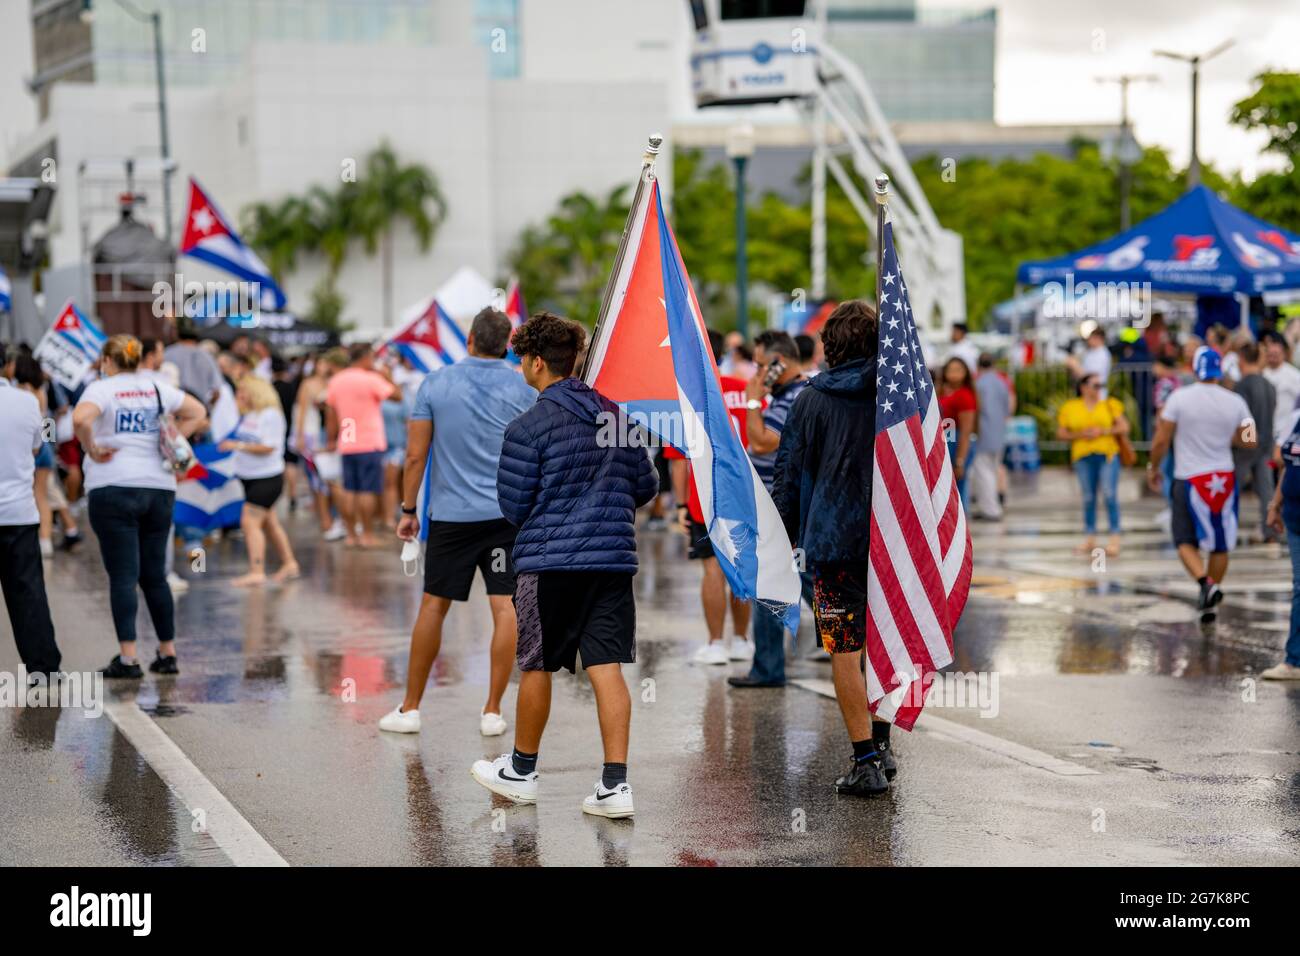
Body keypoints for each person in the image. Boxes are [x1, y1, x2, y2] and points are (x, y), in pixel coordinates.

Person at [471, 312, 657, 819]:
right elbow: (646, 486)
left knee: (536, 664)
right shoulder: (617, 417)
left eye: (521, 361)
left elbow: (513, 506)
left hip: (548, 564)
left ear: (535, 362)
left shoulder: (527, 426)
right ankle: (615, 786)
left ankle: (522, 771)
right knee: (606, 667)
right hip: (613, 561)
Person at [379, 308, 536, 737]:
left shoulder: (436, 382)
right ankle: (492, 710)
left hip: (451, 516)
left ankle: (410, 709)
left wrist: (408, 510)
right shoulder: (523, 385)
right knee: (505, 607)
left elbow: (415, 455)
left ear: (469, 340)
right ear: (506, 344)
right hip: (508, 515)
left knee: (434, 605)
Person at [772, 300, 897, 797]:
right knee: (888, 647)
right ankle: (883, 745)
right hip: (891, 541)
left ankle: (864, 759)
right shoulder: (897, 393)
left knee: (845, 650)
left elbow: (788, 473)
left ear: (830, 345)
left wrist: (783, 535)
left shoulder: (810, 400)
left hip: (832, 542)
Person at [73, 335, 206, 677]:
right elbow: (199, 412)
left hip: (113, 485)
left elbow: (80, 420)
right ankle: (167, 652)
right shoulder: (157, 387)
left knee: (123, 576)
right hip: (158, 487)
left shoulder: (102, 389)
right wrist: (176, 436)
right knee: (155, 575)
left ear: (107, 360)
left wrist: (91, 448)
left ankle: (129, 658)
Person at [729, 329, 813, 688]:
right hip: (777, 507)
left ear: (780, 363)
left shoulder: (794, 396)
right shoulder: (786, 394)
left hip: (784, 510)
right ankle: (768, 666)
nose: (758, 375)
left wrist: (751, 401)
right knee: (780, 582)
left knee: (798, 581)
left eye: (762, 366)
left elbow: (762, 443)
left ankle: (768, 667)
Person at [1147, 347, 1256, 622]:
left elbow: (1161, 439)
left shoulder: (1179, 399)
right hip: (1223, 477)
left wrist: (1153, 467)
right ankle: (1211, 595)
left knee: (1184, 538)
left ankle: (1205, 584)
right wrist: (1225, 437)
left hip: (1189, 477)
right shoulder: (1236, 401)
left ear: (1195, 369)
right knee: (1220, 544)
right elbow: (1250, 439)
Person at [665, 328, 753, 665]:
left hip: (705, 497)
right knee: (742, 569)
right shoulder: (744, 390)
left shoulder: (688, 397)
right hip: (744, 493)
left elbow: (678, 461)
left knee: (712, 570)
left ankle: (716, 643)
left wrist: (682, 504)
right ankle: (743, 641)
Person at [0, 365, 62, 683]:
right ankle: (44, 669)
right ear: (7, 367)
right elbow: (38, 448)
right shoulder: (26, 402)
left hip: (17, 512)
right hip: (17, 514)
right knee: (28, 593)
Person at [220, 376, 299, 586]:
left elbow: (269, 447)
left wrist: (237, 446)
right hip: (249, 477)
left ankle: (257, 571)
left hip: (267, 477)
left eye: (243, 391)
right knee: (270, 523)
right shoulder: (248, 415)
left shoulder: (270, 415)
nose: (239, 396)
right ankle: (289, 563)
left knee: (249, 522)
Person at [324, 343, 403, 547]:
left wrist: (331, 439)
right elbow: (397, 396)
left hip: (348, 437)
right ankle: (367, 535)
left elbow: (331, 413)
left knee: (349, 489)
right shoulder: (371, 379)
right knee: (367, 490)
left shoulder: (337, 379)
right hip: (369, 440)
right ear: (366, 357)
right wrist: (385, 375)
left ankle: (351, 535)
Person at [12, 354, 81, 555]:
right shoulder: (41, 390)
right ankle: (46, 541)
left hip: (28, 446)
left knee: (37, 495)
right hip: (45, 447)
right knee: (42, 495)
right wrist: (50, 442)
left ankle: (43, 539)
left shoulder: (18, 391)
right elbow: (48, 420)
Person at [1056, 373, 1128, 557]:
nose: (1098, 390)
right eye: (1095, 385)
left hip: (1107, 453)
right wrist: (1081, 434)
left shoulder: (1109, 404)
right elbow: (1061, 433)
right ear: (1083, 387)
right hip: (1082, 455)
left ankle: (1114, 537)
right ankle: (1090, 536)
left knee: (1109, 493)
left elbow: (1124, 427)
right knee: (1088, 496)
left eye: (1100, 386)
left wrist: (1103, 431)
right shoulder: (1070, 407)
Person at [1262, 405, 1300, 679]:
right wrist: (1275, 504)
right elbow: (1286, 465)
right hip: (1294, 517)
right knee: (1299, 587)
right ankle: (1294, 661)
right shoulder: (1296, 419)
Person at [1233, 342, 1277, 542]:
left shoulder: (1243, 385)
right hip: (1267, 443)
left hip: (1246, 445)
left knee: (1232, 488)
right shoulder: (1268, 384)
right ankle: (1270, 530)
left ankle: (1228, 527)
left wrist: (1245, 440)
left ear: (1242, 359)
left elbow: (1243, 415)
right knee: (1266, 488)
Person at [970, 353, 1009, 521]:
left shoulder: (978, 384)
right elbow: (1007, 408)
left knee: (983, 472)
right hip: (999, 433)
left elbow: (977, 411)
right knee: (992, 471)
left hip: (983, 433)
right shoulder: (1002, 383)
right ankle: (992, 506)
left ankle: (991, 509)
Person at [936, 357, 977, 509]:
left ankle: (962, 525)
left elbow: (966, 432)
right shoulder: (941, 391)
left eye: (958, 370)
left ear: (965, 373)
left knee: (959, 489)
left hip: (958, 444)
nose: (954, 374)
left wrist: (960, 460)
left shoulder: (964, 396)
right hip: (945, 441)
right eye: (950, 370)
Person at [164, 322, 223, 410]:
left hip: (173, 409)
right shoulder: (207, 356)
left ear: (178, 334)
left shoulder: (167, 353)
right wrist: (207, 409)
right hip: (198, 407)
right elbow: (216, 392)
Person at [1261, 331, 1300, 443]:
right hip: (1266, 431)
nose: (1273, 357)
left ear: (1283, 354)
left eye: (1276, 354)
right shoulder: (1262, 373)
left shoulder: (1294, 375)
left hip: (1285, 430)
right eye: (1270, 354)